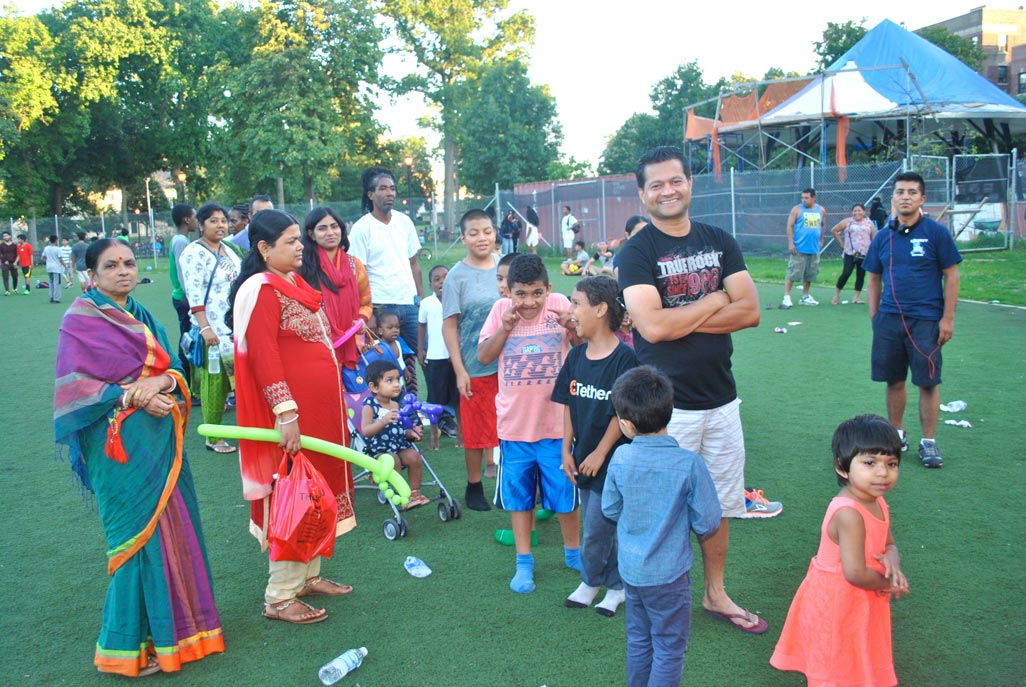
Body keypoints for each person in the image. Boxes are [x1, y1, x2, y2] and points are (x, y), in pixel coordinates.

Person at [618, 145, 771, 634]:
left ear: (690, 184)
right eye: (656, 184)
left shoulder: (719, 240)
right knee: (661, 508)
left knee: (722, 504)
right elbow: (653, 329)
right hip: (665, 409)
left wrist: (681, 314)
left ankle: (715, 592)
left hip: (722, 399)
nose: (668, 191)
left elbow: (750, 312)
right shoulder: (636, 252)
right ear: (643, 194)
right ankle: (657, 595)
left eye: (675, 181)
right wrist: (715, 298)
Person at [54, 238, 224, 676]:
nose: (123, 271)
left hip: (161, 438)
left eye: (128, 263)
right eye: (111, 266)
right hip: (119, 445)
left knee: (175, 525)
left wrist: (160, 388)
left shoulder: (142, 314)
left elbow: (174, 369)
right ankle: (128, 647)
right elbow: (75, 388)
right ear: (91, 274)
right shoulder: (80, 319)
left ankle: (181, 634)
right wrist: (133, 394)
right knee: (136, 536)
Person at [229, 208, 356, 625]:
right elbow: (263, 358)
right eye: (290, 241)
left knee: (317, 489)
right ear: (264, 249)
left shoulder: (295, 284)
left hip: (321, 413)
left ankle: (308, 576)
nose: (301, 246)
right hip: (293, 417)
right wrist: (286, 414)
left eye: (299, 239)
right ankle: (280, 595)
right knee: (294, 496)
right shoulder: (261, 289)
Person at [602, 366, 722, 687]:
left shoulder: (621, 458)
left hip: (631, 571)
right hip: (669, 575)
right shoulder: (689, 464)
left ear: (626, 424)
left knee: (640, 641)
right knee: (669, 648)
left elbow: (609, 508)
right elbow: (708, 521)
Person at [771, 414, 908, 686]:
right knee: (836, 663)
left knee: (854, 654)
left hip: (862, 596)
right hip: (839, 600)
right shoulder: (849, 513)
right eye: (870, 463)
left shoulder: (878, 501)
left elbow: (888, 543)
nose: (883, 472)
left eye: (891, 463)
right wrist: (888, 583)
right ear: (842, 467)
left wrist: (892, 560)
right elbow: (855, 573)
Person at [478, 253, 581, 593]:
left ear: (548, 289)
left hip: (557, 426)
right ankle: (524, 562)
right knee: (520, 499)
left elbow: (583, 347)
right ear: (508, 291)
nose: (529, 301)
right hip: (515, 427)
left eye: (536, 293)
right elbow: (483, 357)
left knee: (565, 495)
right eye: (520, 293)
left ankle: (573, 552)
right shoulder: (499, 312)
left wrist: (572, 326)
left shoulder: (560, 305)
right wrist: (506, 328)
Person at [863, 172, 961, 468]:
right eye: (900, 192)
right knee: (893, 380)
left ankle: (928, 441)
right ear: (893, 197)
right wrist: (875, 316)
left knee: (927, 382)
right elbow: (874, 277)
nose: (905, 196)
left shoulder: (936, 233)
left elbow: (952, 275)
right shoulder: (882, 237)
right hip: (889, 320)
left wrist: (947, 319)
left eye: (912, 192)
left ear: (922, 199)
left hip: (926, 320)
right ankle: (896, 435)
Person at [553, 276, 638, 616]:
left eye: (576, 303)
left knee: (597, 530)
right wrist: (565, 449)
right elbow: (568, 403)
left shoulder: (625, 361)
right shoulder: (575, 357)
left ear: (601, 309)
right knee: (603, 527)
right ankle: (617, 586)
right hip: (581, 460)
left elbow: (623, 413)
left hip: (612, 463)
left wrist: (601, 452)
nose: (570, 311)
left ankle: (591, 581)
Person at [441, 209, 502, 511]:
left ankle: (512, 482)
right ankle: (474, 484)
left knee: (514, 426)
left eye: (487, 231)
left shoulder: (507, 266)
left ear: (495, 233)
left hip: (511, 364)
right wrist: (459, 369)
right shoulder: (456, 276)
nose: (482, 238)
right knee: (477, 430)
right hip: (475, 366)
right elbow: (450, 324)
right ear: (463, 238)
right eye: (474, 233)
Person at [348, 165, 424, 389]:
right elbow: (357, 275)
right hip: (380, 306)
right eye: (383, 188)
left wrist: (421, 299)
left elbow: (414, 263)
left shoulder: (404, 222)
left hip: (409, 304)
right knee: (383, 367)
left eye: (392, 188)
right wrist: (367, 312)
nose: (389, 193)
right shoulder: (362, 229)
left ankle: (433, 414)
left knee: (423, 357)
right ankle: (388, 418)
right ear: (371, 194)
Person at [179, 203, 241, 454]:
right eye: (213, 221)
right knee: (215, 383)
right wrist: (205, 328)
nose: (220, 225)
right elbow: (193, 294)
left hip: (234, 328)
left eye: (224, 220)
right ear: (201, 225)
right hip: (212, 330)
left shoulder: (228, 249)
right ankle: (213, 435)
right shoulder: (194, 253)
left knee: (238, 382)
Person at [298, 205, 373, 378]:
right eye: (322, 228)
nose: (330, 232)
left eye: (334, 226)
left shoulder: (355, 265)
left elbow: (366, 302)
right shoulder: (303, 268)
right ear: (311, 234)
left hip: (353, 343)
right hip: (318, 346)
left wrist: (361, 320)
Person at [360, 359, 431, 510]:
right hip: (380, 452)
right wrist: (383, 422)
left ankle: (414, 493)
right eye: (389, 380)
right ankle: (401, 494)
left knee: (414, 456)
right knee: (393, 459)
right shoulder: (369, 405)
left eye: (397, 379)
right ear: (374, 387)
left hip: (398, 446)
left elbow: (398, 429)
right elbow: (365, 431)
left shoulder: (395, 405)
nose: (397, 384)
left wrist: (410, 432)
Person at [418, 264, 457, 450]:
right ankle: (434, 437)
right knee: (434, 399)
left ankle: (461, 437)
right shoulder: (427, 303)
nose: (442, 281)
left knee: (457, 399)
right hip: (435, 357)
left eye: (445, 277)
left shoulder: (457, 300)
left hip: (454, 357)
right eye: (437, 279)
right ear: (431, 284)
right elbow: (421, 326)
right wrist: (420, 349)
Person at [782, 188, 826, 308]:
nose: (804, 200)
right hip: (799, 248)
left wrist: (822, 239)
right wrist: (791, 243)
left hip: (814, 248)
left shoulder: (821, 210)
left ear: (813, 198)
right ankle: (786, 297)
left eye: (806, 198)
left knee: (810, 274)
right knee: (793, 273)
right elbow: (790, 226)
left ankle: (805, 296)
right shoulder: (797, 210)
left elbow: (823, 225)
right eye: (802, 198)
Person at [831, 203, 877, 305]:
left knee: (861, 275)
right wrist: (842, 244)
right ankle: (837, 294)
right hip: (850, 253)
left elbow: (874, 237)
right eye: (855, 211)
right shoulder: (848, 222)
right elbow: (834, 230)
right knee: (846, 273)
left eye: (859, 210)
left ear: (864, 211)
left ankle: (856, 297)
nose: (857, 212)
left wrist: (874, 251)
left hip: (865, 253)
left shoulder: (869, 223)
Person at [168, 203, 198, 344]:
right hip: (183, 296)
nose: (197, 221)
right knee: (187, 335)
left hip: (183, 295)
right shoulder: (180, 241)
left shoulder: (182, 240)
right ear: (187, 220)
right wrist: (189, 295)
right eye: (195, 217)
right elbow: (182, 271)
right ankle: (183, 365)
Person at [375, 310, 416, 391]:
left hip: (399, 385)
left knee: (401, 401)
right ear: (380, 330)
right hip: (383, 388)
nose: (395, 330)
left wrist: (405, 370)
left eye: (397, 327)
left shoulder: (397, 343)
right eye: (390, 328)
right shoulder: (376, 345)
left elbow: (400, 360)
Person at [42, 234, 64, 303]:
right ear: (56, 240)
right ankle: (56, 298)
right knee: (56, 283)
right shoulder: (58, 249)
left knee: (51, 282)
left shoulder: (46, 248)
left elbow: (43, 258)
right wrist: (65, 265)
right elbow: (60, 259)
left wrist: (48, 262)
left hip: (49, 267)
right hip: (56, 268)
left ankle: (51, 296)